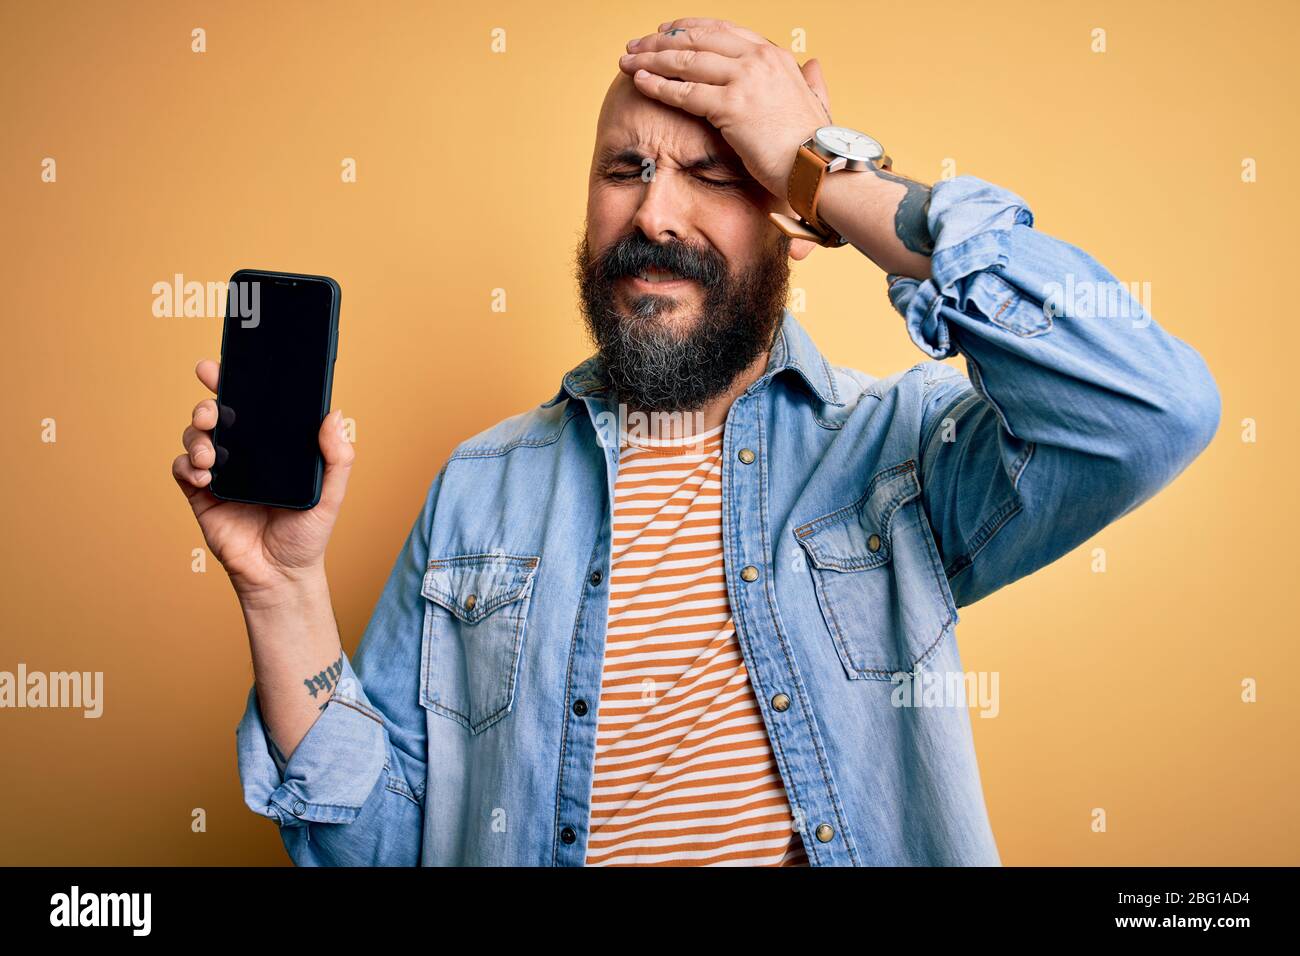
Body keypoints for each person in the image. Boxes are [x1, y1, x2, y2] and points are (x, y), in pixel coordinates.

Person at [172, 17, 1220, 866]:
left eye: (717, 174)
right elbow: (381, 846)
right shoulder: (477, 490)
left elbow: (1147, 407)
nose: (655, 212)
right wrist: (283, 595)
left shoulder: (898, 453)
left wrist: (829, 172)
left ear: (791, 219)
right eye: (623, 167)